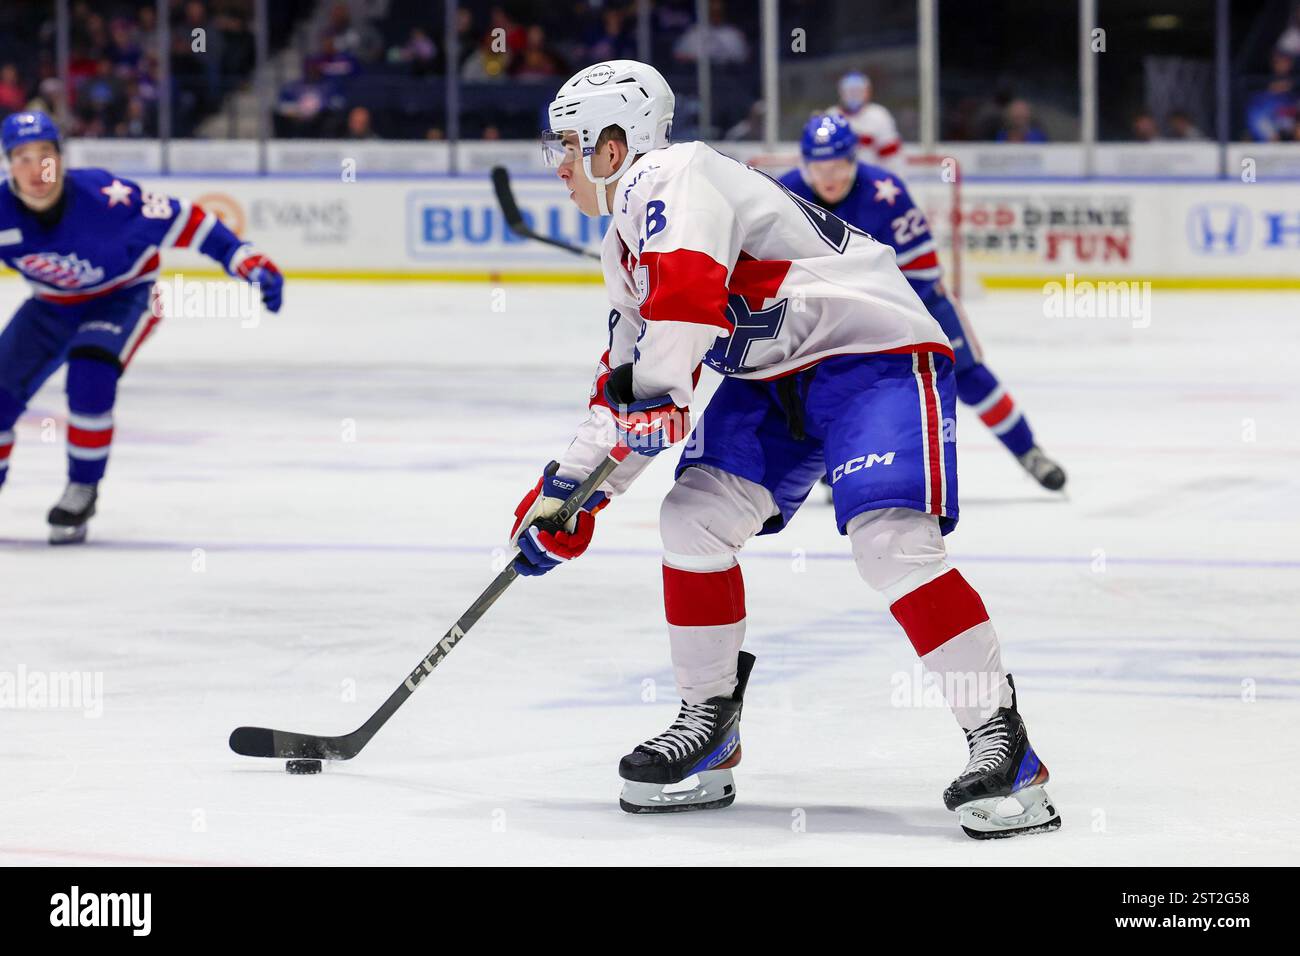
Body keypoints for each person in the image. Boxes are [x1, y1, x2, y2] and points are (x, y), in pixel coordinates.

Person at [512, 61, 1060, 838]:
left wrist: (659, 400)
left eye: (567, 145)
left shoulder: (670, 174)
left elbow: (684, 321)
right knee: (691, 521)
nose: (558, 165)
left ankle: (1002, 742)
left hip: (870, 355)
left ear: (614, 144)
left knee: (891, 542)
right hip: (774, 380)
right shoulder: (622, 243)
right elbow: (626, 382)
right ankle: (709, 727)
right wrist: (566, 493)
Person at [0, 111, 283, 543]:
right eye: (21, 158)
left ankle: (82, 488)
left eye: (45, 155)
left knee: (90, 371)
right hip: (51, 305)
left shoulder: (107, 199)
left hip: (124, 294)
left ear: (61, 158)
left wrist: (247, 260)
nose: (36, 169)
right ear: (7, 165)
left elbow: (189, 221)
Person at [783, 114, 1066, 491]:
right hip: (835, 314)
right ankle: (838, 463)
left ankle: (1028, 451)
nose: (829, 177)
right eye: (819, 167)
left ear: (854, 161)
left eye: (837, 165)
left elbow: (923, 271)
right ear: (805, 165)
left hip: (917, 300)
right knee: (823, 385)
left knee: (968, 375)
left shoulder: (885, 192)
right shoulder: (786, 195)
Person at [828, 71, 902, 168]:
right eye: (850, 91)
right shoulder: (830, 117)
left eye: (858, 91)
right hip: (839, 179)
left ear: (868, 92)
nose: (854, 95)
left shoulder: (879, 116)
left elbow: (892, 157)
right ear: (841, 92)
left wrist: (890, 180)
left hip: (871, 179)